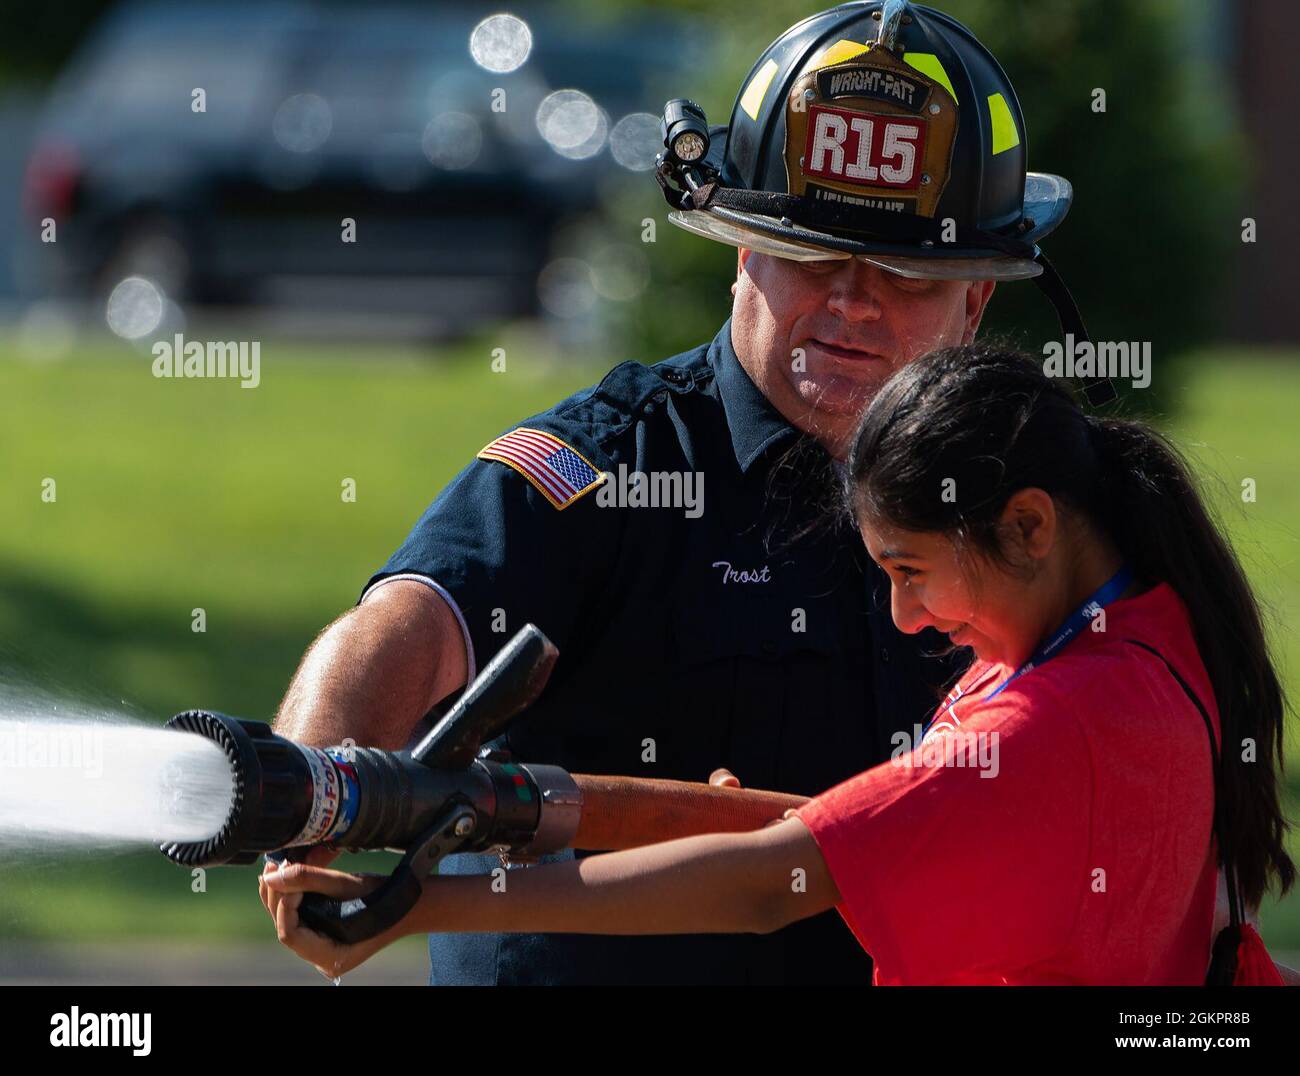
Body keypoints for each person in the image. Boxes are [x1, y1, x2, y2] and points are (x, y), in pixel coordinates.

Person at [266, 0, 1104, 984]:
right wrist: (308, 801)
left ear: (976, 300)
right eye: (809, 253)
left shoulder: (1021, 512)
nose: (849, 300)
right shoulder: (610, 465)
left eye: (903, 274)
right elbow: (403, 629)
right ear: (741, 246)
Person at [263, 344, 1296, 985]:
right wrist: (502, 807)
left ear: (1029, 526)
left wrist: (429, 900)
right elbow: (831, 825)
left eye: (910, 569)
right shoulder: (1136, 633)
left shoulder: (1048, 721)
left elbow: (777, 878)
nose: (902, 615)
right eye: (812, 257)